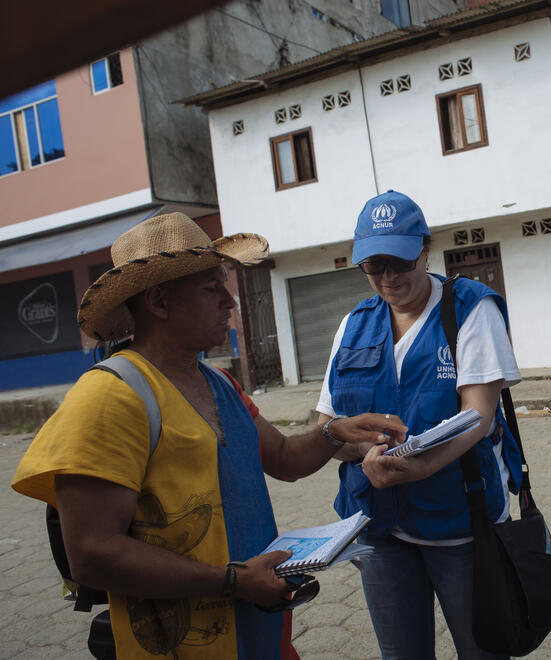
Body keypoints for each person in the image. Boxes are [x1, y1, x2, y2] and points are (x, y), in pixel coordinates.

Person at [11, 212, 406, 659]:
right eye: (210, 289)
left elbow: (282, 457)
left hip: (258, 632)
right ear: (159, 301)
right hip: (178, 643)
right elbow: (92, 553)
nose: (230, 302)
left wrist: (334, 432)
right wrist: (234, 581)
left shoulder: (220, 383)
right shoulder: (107, 398)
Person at [315, 190, 523, 659]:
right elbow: (329, 425)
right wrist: (361, 448)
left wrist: (422, 466)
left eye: (400, 262)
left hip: (461, 525)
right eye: (374, 267)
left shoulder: (470, 309)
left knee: (484, 649)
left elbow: (478, 417)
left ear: (425, 248)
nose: (388, 278)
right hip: (377, 527)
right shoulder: (353, 324)